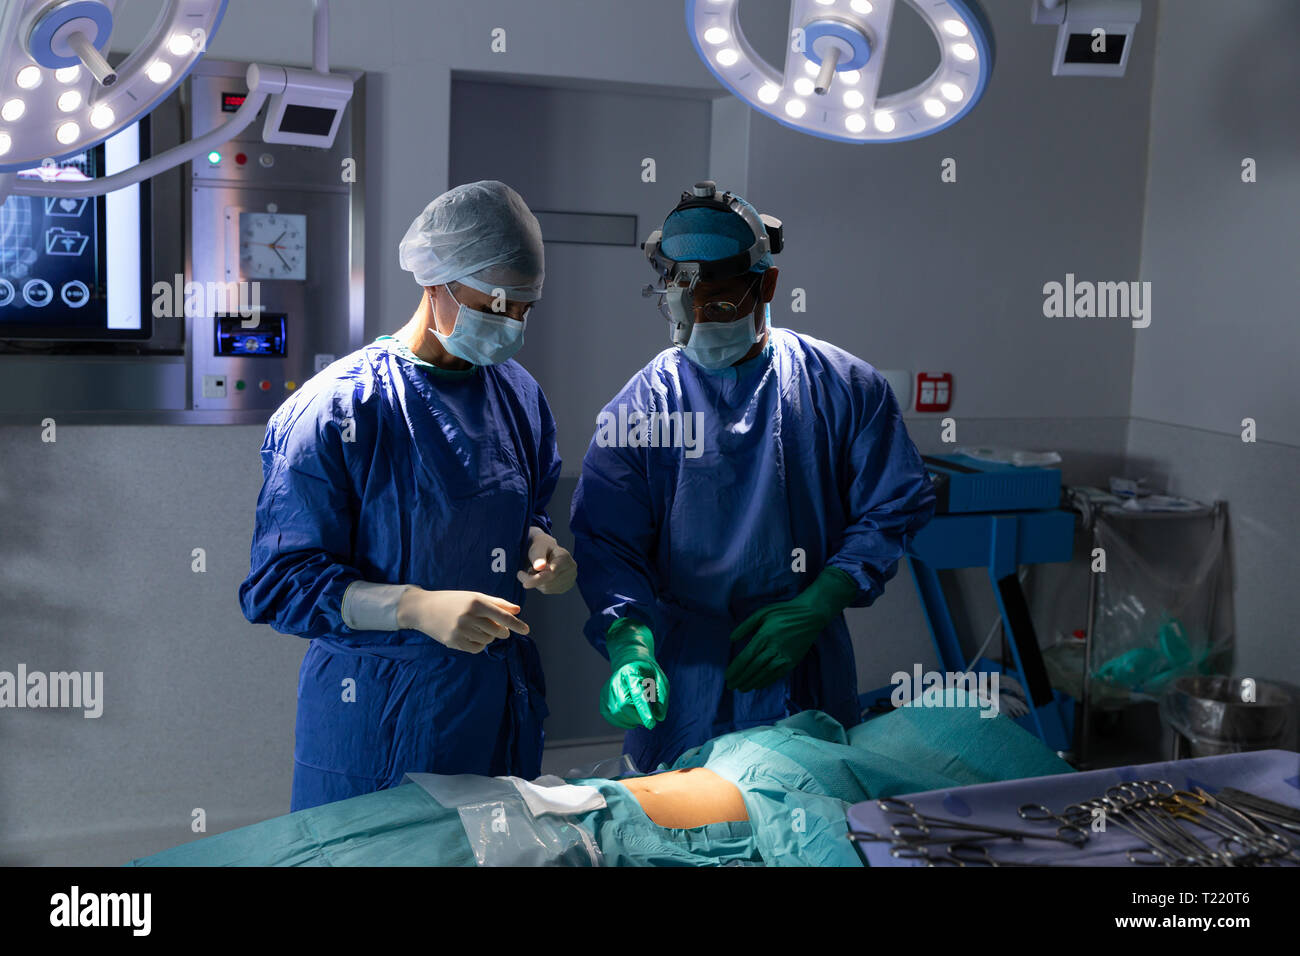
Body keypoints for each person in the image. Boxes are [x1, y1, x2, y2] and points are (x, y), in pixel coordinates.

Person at [570, 182, 936, 771]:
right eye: (680, 304)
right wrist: (630, 644)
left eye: (715, 303)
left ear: (765, 286)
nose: (694, 324)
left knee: (805, 829)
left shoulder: (843, 387)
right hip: (685, 678)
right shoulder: (643, 408)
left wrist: (819, 601)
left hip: (803, 666)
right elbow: (609, 542)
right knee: (681, 839)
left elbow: (896, 504)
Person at [239, 180, 576, 811]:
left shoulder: (518, 395)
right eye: (494, 305)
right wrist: (412, 607)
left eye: (523, 309)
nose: (511, 324)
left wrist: (538, 545)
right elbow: (280, 584)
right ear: (437, 286)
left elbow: (522, 507)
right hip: (377, 719)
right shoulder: (339, 408)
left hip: (494, 711)